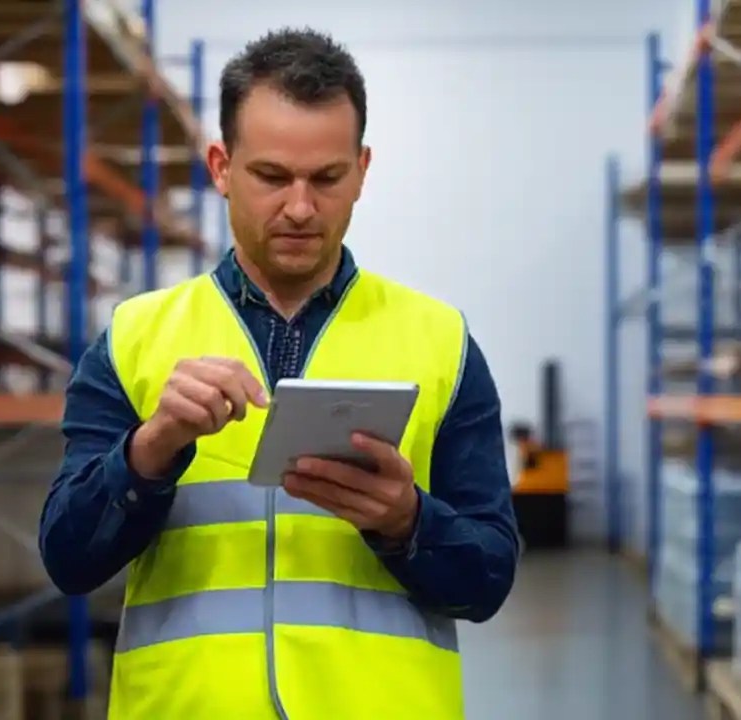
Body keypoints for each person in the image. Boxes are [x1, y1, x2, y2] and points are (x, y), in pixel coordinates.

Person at [39, 27, 519, 720]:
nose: (300, 208)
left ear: (361, 169)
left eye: (326, 178)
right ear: (221, 166)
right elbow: (68, 560)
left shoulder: (440, 342)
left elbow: (489, 580)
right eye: (271, 177)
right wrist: (150, 450)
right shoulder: (134, 340)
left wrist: (408, 520)